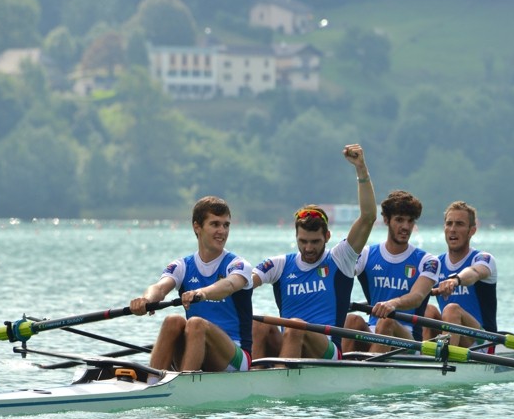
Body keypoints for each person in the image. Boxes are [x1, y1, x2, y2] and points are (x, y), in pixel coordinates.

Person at [251, 144, 376, 363]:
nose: (308, 248)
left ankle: (280, 383)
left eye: (315, 242)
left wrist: (361, 169)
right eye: (303, 241)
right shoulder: (279, 265)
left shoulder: (340, 259)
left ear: (327, 237)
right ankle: (253, 379)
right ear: (296, 236)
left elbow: (367, 217)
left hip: (327, 351)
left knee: (296, 325)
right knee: (259, 324)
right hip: (290, 341)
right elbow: (243, 281)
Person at [129, 196, 253, 380]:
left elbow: (228, 285)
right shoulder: (183, 266)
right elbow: (160, 288)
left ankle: (184, 385)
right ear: (197, 227)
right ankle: (151, 383)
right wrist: (146, 300)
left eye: (226, 225)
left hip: (236, 357)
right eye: (215, 224)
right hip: (196, 349)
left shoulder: (238, 265)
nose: (222, 231)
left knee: (196, 323)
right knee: (173, 321)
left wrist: (201, 293)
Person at [342, 190, 440, 353]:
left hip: (409, 339)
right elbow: (340, 273)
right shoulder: (366, 255)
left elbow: (417, 297)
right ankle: (341, 370)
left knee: (386, 322)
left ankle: (369, 373)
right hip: (373, 330)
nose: (406, 227)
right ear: (386, 220)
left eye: (410, 221)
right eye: (399, 220)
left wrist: (393, 303)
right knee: (352, 320)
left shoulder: (428, 261)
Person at [422, 200, 497, 347]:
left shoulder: (483, 259)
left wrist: (455, 280)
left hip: (482, 341)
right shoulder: (435, 264)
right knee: (428, 310)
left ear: (472, 231)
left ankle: (445, 360)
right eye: (449, 224)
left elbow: (474, 272)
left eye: (459, 224)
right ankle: (424, 359)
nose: (453, 229)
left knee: (451, 309)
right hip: (451, 333)